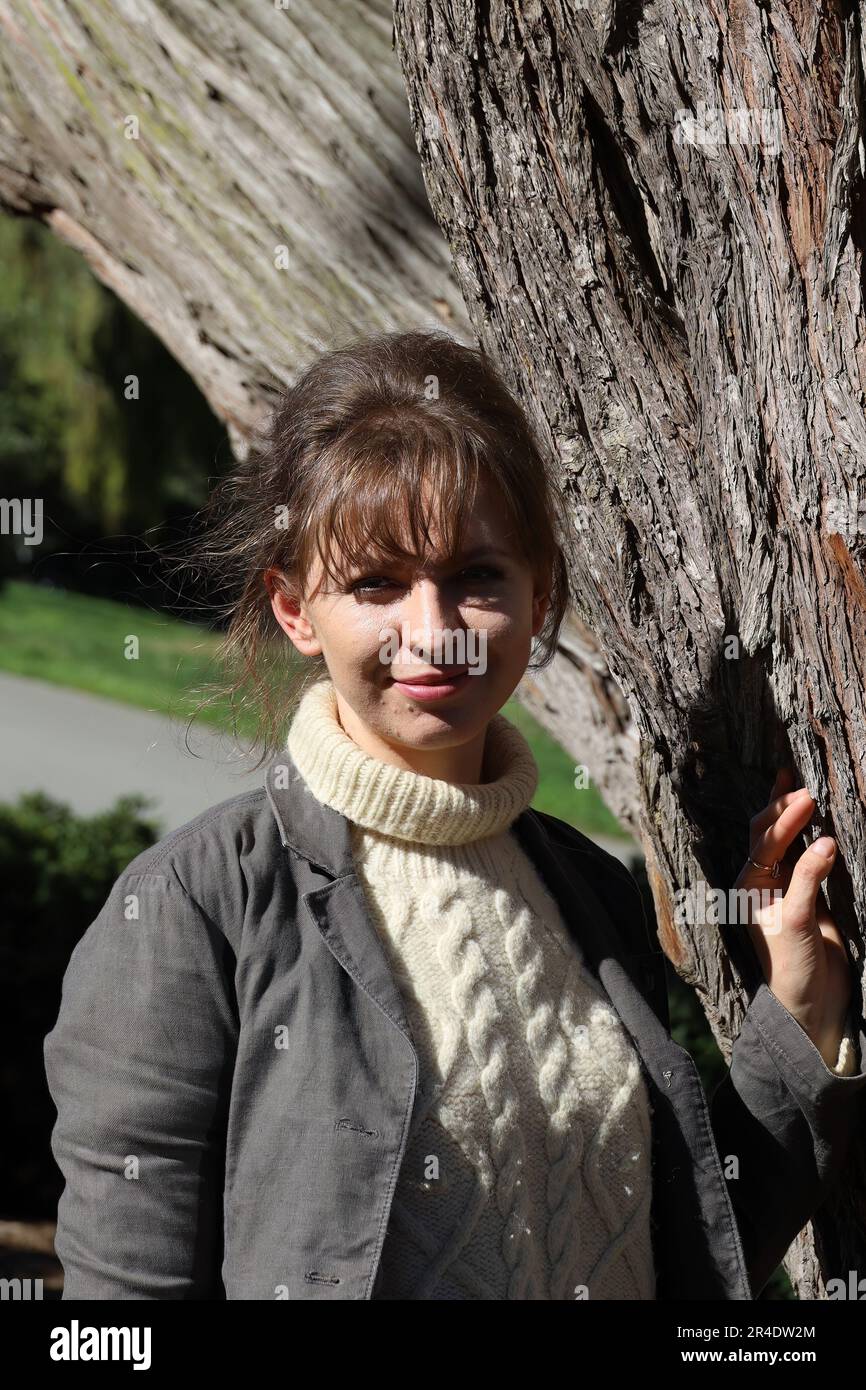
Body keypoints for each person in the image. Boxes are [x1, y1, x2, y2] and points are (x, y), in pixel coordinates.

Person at [44, 330, 866, 1300]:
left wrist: (799, 1006)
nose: (431, 631)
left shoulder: (588, 895)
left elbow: (690, 1253)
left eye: (476, 576)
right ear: (295, 608)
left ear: (538, 592)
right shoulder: (194, 911)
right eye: (376, 583)